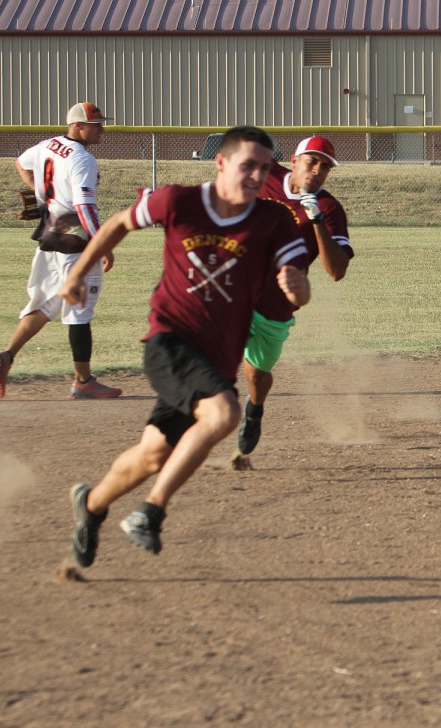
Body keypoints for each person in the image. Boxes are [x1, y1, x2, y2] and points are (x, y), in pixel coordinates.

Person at [61, 126, 311, 566]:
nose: (256, 175)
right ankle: (150, 513)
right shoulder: (179, 201)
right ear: (221, 163)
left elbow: (300, 283)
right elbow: (121, 221)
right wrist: (78, 273)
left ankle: (93, 504)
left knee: (154, 453)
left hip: (217, 358)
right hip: (170, 340)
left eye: (264, 168)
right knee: (225, 413)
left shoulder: (272, 221)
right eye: (247, 164)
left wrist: (296, 287)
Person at [232, 134, 355, 469]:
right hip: (237, 291)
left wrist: (316, 222)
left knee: (258, 375)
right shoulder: (267, 174)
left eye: (325, 166)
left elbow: (337, 271)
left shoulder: (329, 209)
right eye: (312, 161)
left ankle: (254, 410)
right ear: (295, 160)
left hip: (278, 305)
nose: (317, 170)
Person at [0, 101, 122, 400]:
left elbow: (22, 162)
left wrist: (43, 196)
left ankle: (6, 356)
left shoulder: (48, 145)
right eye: (96, 124)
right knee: (79, 312)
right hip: (75, 241)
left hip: (50, 236)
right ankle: (83, 381)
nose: (102, 130)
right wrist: (102, 244)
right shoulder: (82, 159)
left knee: (45, 303)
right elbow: (84, 206)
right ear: (78, 126)